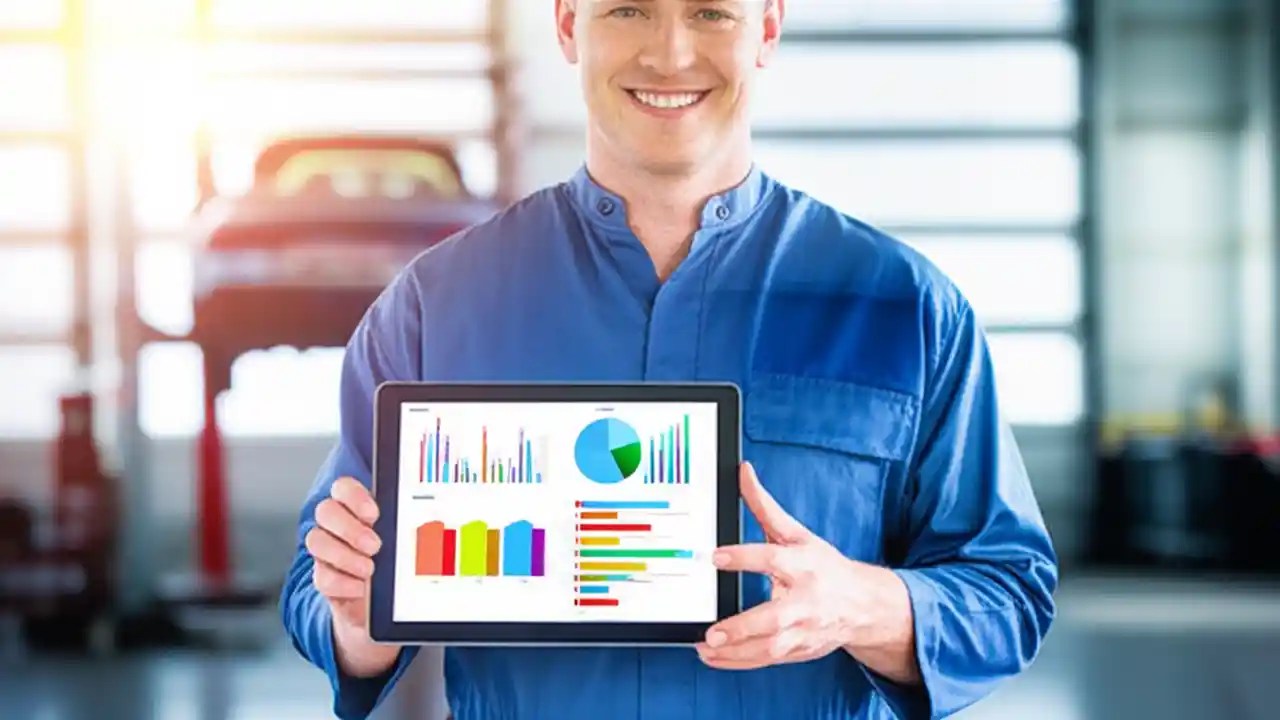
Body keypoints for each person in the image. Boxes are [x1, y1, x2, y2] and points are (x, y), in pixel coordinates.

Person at [280, 1, 1059, 718]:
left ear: (768, 25)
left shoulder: (904, 307)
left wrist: (862, 605)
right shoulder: (434, 306)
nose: (671, 52)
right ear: (566, 23)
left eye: (711, 11)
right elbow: (316, 592)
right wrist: (356, 617)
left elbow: (1007, 591)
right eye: (628, 8)